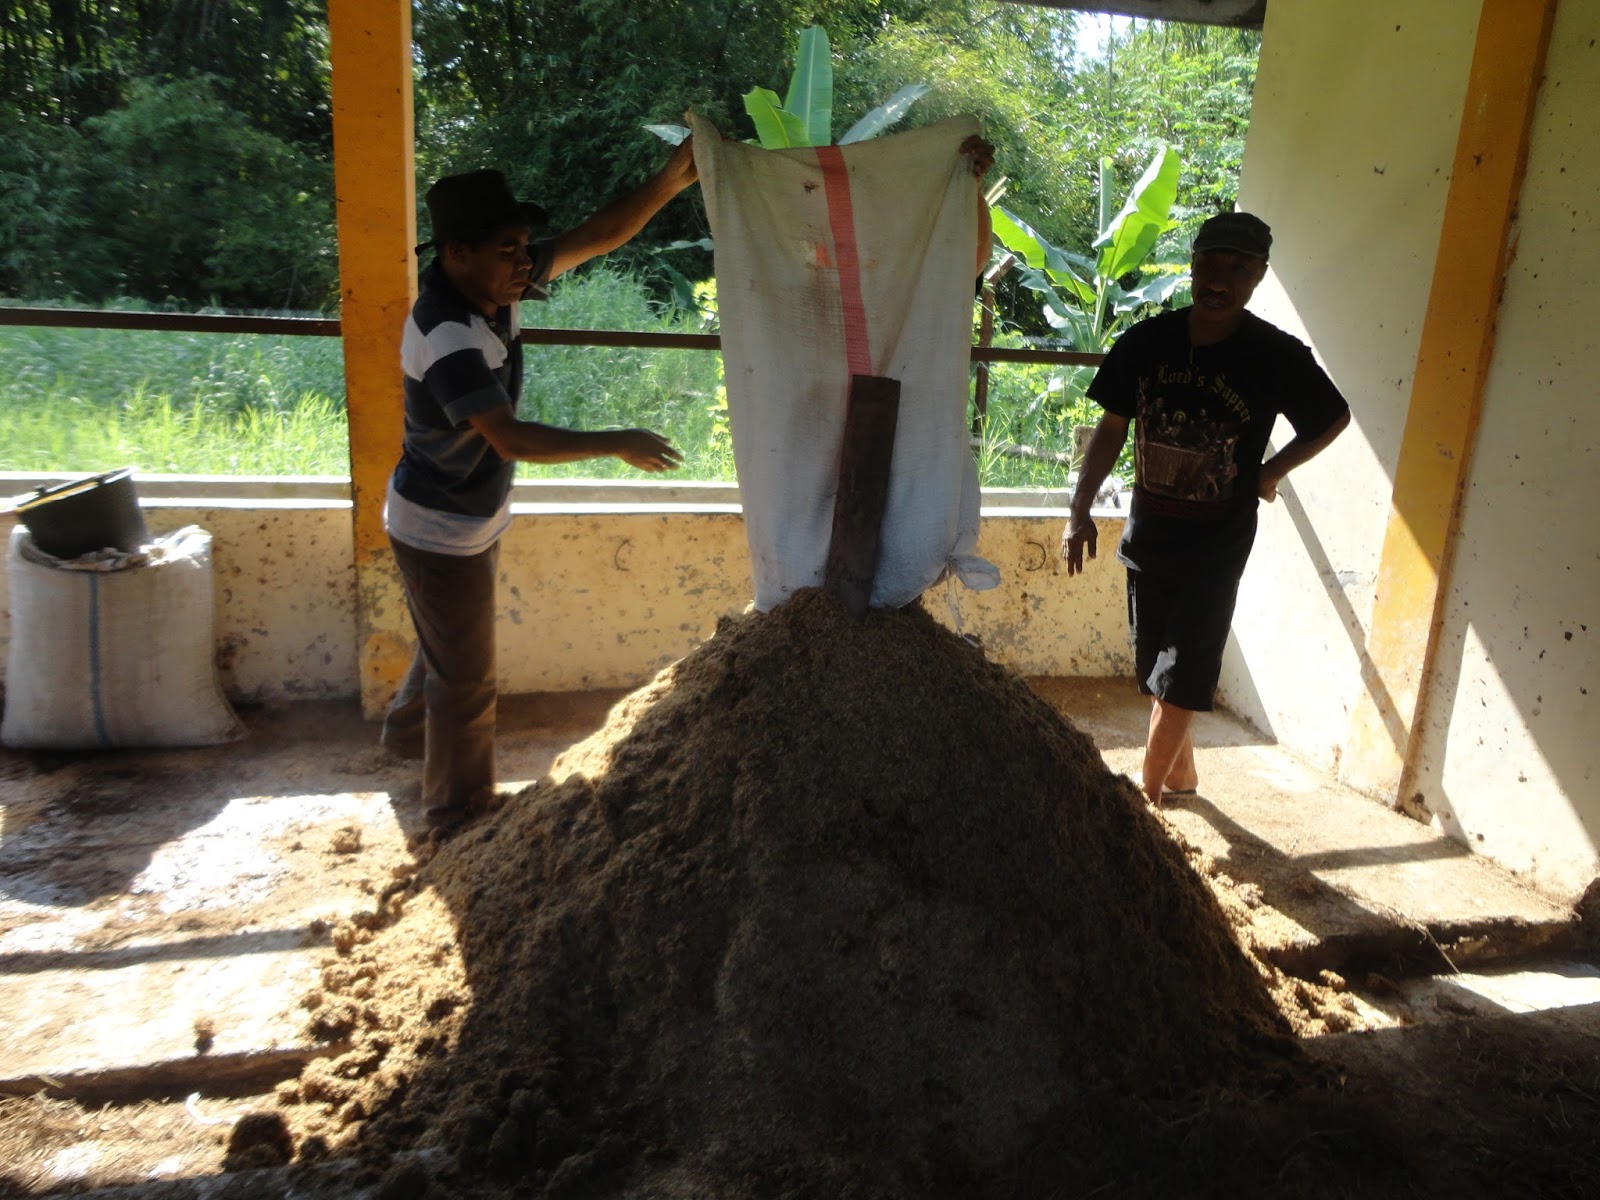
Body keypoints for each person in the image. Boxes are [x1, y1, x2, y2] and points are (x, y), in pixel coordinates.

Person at [382, 142, 698, 828]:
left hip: (465, 512)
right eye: (507, 247)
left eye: (526, 244)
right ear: (457, 252)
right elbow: (511, 438)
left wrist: (669, 182)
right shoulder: (447, 330)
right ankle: (457, 814)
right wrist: (619, 440)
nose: (524, 260)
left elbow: (596, 236)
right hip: (440, 526)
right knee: (467, 679)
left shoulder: (496, 284)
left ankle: (408, 735)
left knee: (448, 639)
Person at [1060, 211, 1351, 807]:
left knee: (1184, 675)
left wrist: (1271, 472)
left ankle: (1142, 805)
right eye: (1210, 264)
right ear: (1191, 266)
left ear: (1259, 276)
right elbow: (1111, 428)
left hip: (1216, 545)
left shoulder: (1274, 355)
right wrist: (1078, 509)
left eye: (1237, 269)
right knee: (1153, 674)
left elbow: (1331, 417)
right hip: (1148, 537)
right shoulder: (1146, 342)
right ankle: (1183, 774)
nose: (1220, 279)